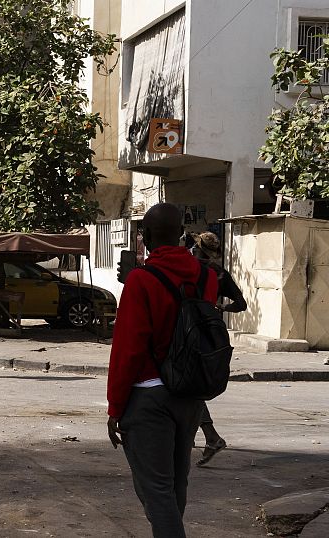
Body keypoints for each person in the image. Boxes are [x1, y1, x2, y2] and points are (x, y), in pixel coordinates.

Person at [107, 203, 218, 538]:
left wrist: (115, 407)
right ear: (182, 234)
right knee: (174, 486)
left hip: (148, 395)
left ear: (147, 236)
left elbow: (128, 350)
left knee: (156, 492)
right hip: (190, 394)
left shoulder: (141, 280)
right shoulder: (206, 276)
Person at [191, 231, 246, 467]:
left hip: (191, 331)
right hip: (212, 333)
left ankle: (211, 436)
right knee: (190, 386)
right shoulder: (220, 273)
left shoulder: (194, 270)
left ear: (198, 249)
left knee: (187, 386)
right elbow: (241, 304)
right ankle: (202, 435)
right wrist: (221, 308)